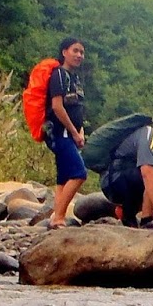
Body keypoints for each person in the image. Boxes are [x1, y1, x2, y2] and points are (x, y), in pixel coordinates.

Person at [45, 37, 88, 228]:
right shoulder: (59, 75)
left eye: (81, 52)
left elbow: (77, 107)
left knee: (63, 176)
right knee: (79, 173)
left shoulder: (75, 78)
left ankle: (56, 218)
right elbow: (57, 107)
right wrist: (73, 132)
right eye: (75, 51)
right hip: (59, 131)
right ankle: (59, 217)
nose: (79, 55)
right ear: (64, 52)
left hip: (70, 132)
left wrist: (81, 131)